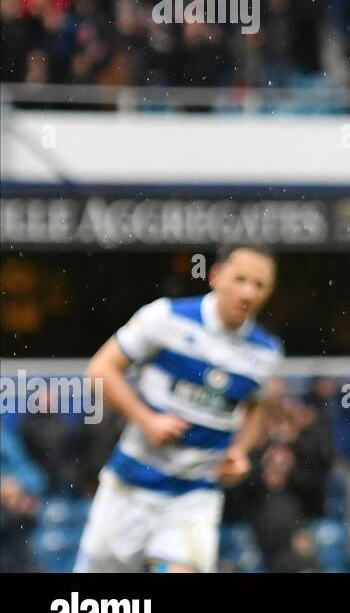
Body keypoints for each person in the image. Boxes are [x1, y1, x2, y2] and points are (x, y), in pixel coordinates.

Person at [74, 244, 283, 572]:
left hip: (195, 494)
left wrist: (240, 451)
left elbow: (255, 408)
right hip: (131, 484)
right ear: (215, 276)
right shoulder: (166, 318)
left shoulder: (266, 352)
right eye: (240, 279)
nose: (249, 292)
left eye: (260, 285)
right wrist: (148, 421)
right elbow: (100, 371)